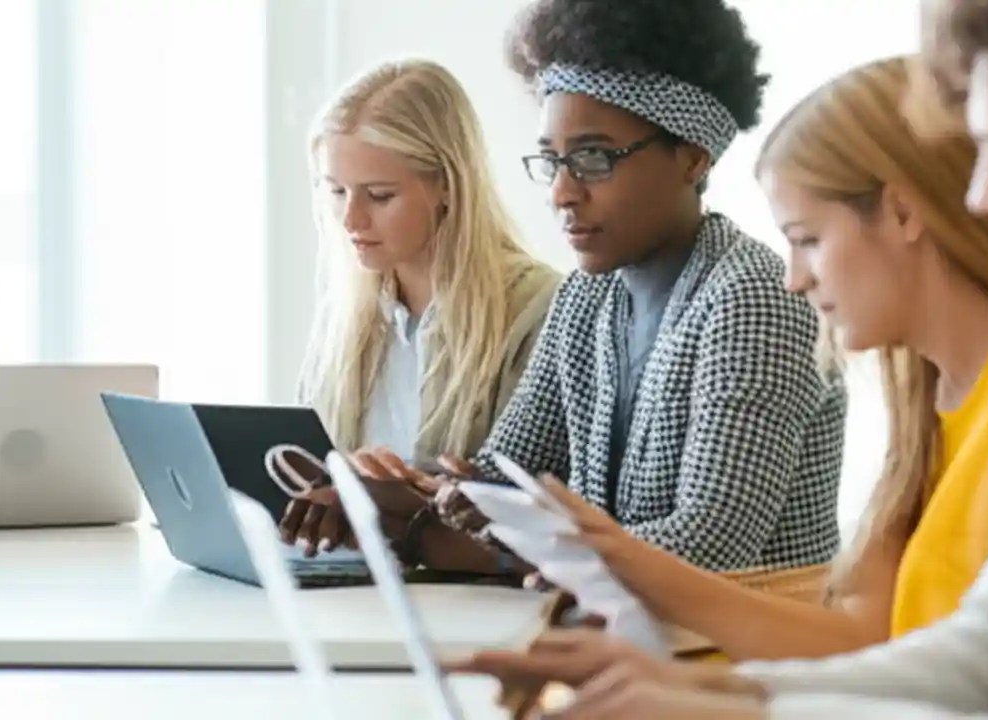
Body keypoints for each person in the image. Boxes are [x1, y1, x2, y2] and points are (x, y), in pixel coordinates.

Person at [451, 1, 988, 717]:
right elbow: (982, 658)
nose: (982, 195)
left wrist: (722, 697)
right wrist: (703, 692)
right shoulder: (924, 399)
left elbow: (719, 540)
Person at [298, 0, 847, 578]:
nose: (561, 192)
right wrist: (389, 499)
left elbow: (706, 547)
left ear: (692, 158)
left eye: (592, 158)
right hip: (623, 637)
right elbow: (501, 471)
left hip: (740, 654)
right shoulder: (588, 299)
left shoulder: (754, 298)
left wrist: (476, 538)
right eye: (552, 160)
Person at [279, 59, 561, 555]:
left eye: (380, 195)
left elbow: (535, 506)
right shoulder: (345, 316)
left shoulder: (539, 311)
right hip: (358, 587)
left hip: (474, 598)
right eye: (336, 191)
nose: (351, 218)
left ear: (448, 186)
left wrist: (404, 497)